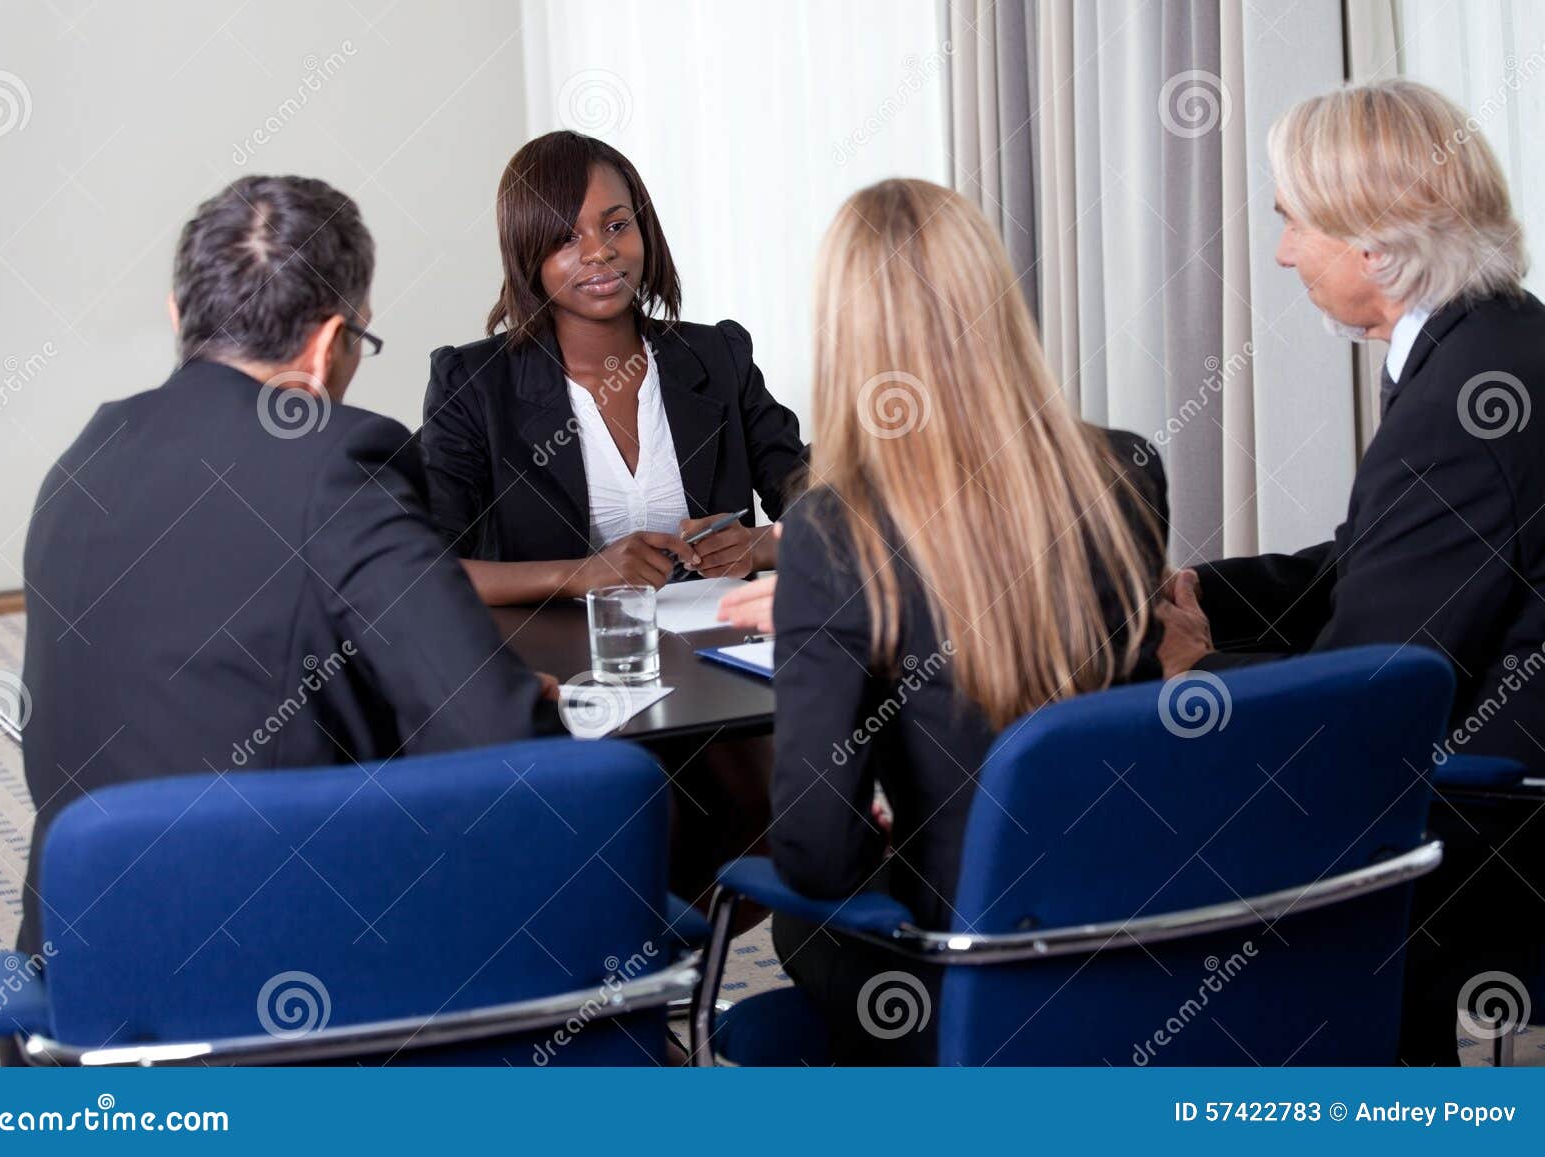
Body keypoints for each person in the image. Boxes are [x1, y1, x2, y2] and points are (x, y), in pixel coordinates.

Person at [11, 177, 551, 1064]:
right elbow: (504, 737)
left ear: (178, 313)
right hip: (286, 993)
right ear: (330, 343)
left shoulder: (83, 459)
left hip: (82, 989)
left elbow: (198, 680)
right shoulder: (338, 459)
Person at [1153, 80, 1545, 1064]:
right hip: (1487, 772)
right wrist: (1202, 592)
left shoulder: (1460, 402)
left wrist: (1197, 671)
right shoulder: (1493, 340)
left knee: (1140, 850)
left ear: (1374, 244)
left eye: (1294, 222)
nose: (1284, 253)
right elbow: (1372, 557)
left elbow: (1368, 691)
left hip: (1485, 822)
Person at [735, 179, 1169, 1064]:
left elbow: (815, 850)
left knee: (798, 926)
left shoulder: (834, 528)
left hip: (963, 966)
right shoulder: (1125, 469)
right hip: (1135, 938)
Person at [420, 130, 807, 605]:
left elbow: (828, 509)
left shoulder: (719, 356)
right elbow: (424, 570)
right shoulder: (473, 384)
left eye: (617, 225)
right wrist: (580, 574)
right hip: (555, 650)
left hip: (721, 642)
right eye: (566, 237)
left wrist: (762, 544)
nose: (600, 251)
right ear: (527, 250)